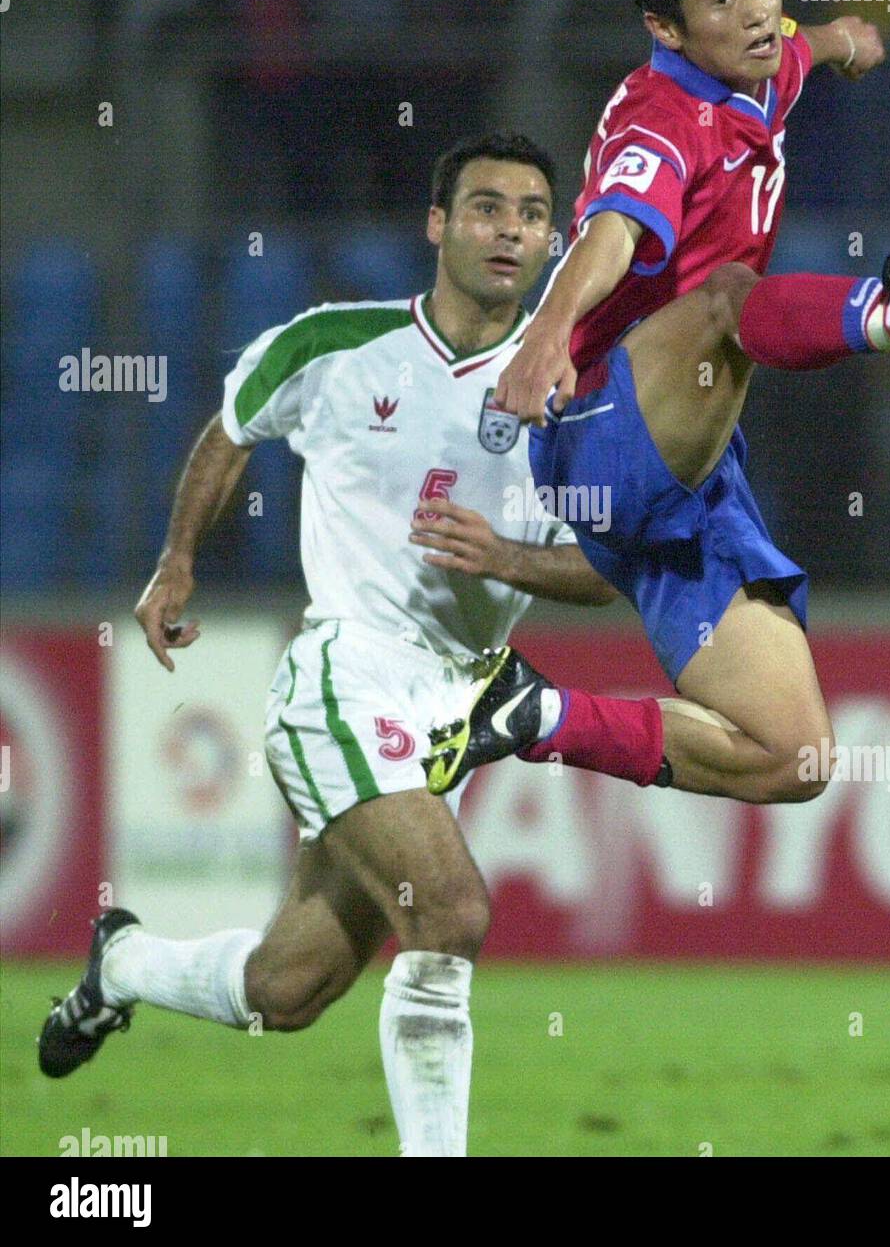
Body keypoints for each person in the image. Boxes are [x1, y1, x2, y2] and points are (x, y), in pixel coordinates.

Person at [37, 132, 617, 1159]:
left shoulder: (572, 396)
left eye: (531, 214)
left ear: (555, 242)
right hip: (345, 673)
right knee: (451, 911)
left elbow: (610, 572)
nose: (509, 230)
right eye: (485, 208)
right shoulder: (337, 345)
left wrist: (508, 561)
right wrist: (176, 561)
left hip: (459, 706)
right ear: (438, 225)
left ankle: (120, 967)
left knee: (286, 988)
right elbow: (232, 426)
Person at [422, 0, 890, 809]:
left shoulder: (763, 66)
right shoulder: (661, 117)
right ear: (665, 28)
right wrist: (546, 338)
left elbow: (805, 48)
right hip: (602, 421)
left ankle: (529, 714)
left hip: (692, 475)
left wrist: (846, 37)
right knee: (726, 297)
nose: (756, 9)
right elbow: (607, 233)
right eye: (721, 0)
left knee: (792, 757)